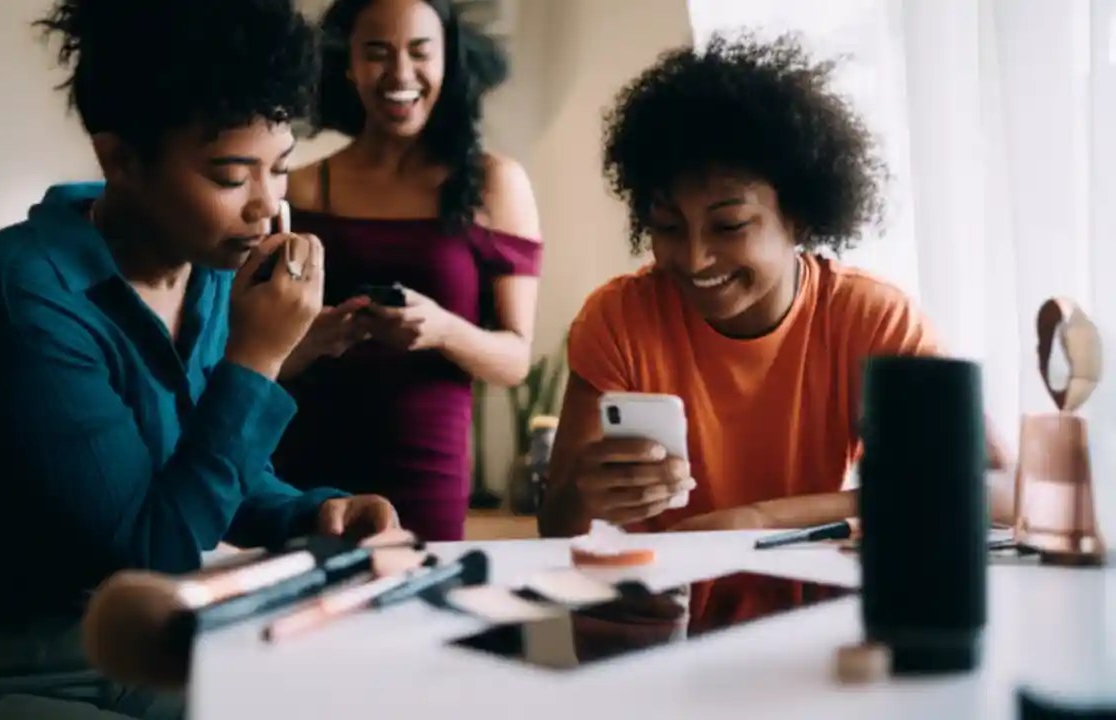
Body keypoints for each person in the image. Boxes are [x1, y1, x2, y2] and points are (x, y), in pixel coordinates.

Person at [0, 1, 396, 718]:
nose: (265, 207)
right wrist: (257, 358)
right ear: (120, 158)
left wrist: (312, 513)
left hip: (140, 647)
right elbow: (149, 546)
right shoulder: (22, 303)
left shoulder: (210, 271)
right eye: (231, 177)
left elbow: (197, 467)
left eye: (279, 170)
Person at [537, 33, 1013, 539]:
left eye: (730, 226)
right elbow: (557, 527)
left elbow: (999, 492)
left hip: (822, 609)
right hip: (673, 612)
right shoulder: (618, 320)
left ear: (799, 218)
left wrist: (759, 521)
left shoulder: (872, 319)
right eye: (668, 226)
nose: (696, 258)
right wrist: (587, 493)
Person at [272, 0, 543, 541]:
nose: (400, 74)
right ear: (346, 63)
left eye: (421, 52)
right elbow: (257, 351)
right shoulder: (297, 187)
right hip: (303, 471)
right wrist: (321, 336)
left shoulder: (493, 183)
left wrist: (441, 329)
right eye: (376, 53)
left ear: (449, 61)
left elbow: (514, 360)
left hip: (425, 476)